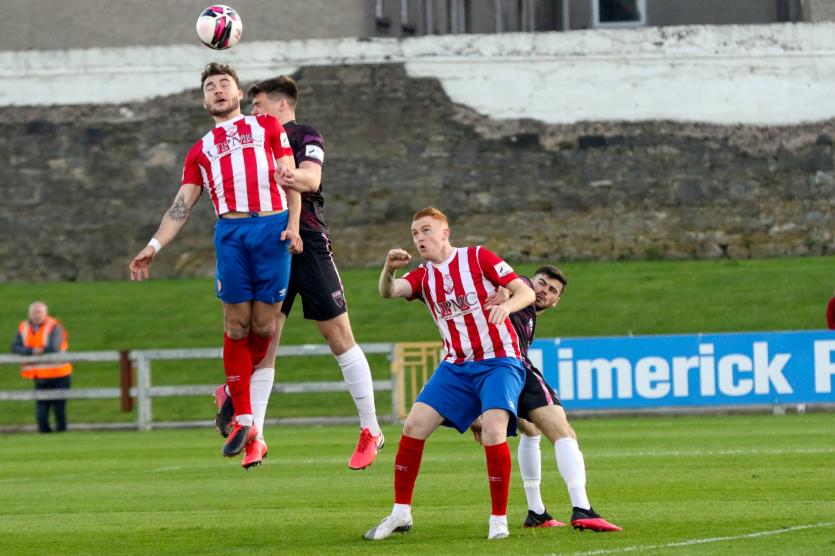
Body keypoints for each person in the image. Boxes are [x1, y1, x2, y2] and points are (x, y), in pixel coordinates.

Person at [129, 62, 301, 463]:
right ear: (204, 100)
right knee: (237, 325)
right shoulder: (201, 149)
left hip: (272, 229)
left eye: (225, 83)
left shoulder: (267, 127)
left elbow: (291, 180)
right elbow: (181, 205)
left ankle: (231, 390)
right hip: (232, 234)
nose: (218, 90)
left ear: (239, 93)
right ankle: (244, 419)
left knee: (265, 326)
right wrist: (153, 246)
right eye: (210, 86)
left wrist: (294, 226)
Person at [212, 75, 385, 471]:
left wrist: (288, 176)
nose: (253, 112)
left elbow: (311, 177)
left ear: (281, 105)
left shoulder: (304, 134)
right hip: (268, 246)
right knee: (265, 341)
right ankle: (255, 434)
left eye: (258, 105)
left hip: (307, 241)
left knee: (337, 335)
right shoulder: (250, 139)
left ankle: (371, 429)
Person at [364, 207, 535, 541]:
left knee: (493, 429)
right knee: (413, 425)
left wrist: (506, 306)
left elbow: (524, 291)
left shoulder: (478, 257)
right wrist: (389, 269)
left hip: (499, 360)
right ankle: (400, 513)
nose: (420, 238)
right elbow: (388, 291)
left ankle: (498, 519)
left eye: (426, 230)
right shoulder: (423, 276)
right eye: (415, 233)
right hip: (456, 365)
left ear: (445, 232)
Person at [473, 266, 621, 532]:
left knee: (532, 431)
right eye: (541, 283)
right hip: (511, 366)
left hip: (491, 371)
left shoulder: (528, 315)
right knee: (564, 432)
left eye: (552, 290)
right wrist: (506, 289)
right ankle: (582, 508)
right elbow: (510, 285)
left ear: (555, 301)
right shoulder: (520, 288)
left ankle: (537, 512)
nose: (543, 291)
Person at [11, 301, 72, 433]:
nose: (36, 315)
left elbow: (54, 346)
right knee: (42, 408)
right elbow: (15, 347)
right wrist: (33, 351)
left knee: (59, 406)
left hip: (59, 373)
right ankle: (44, 432)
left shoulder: (54, 325)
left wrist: (35, 351)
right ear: (29, 314)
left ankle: (61, 431)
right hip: (39, 375)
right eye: (34, 312)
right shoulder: (23, 327)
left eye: (39, 312)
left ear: (45, 314)